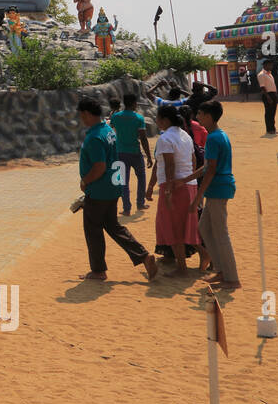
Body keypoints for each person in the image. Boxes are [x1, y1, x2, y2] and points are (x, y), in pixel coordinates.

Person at [77, 96, 157, 281]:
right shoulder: (107, 130)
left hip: (98, 190)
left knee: (93, 230)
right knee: (113, 226)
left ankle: (98, 270)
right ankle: (144, 256)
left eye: (82, 115)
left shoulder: (95, 137)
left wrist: (84, 182)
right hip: (113, 186)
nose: (81, 119)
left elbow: (99, 167)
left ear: (87, 114)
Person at [187, 100, 240, 290]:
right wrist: (188, 178)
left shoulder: (214, 138)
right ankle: (220, 270)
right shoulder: (217, 135)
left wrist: (197, 198)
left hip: (218, 189)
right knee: (205, 228)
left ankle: (232, 278)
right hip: (217, 188)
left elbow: (211, 170)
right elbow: (207, 167)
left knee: (220, 233)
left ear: (209, 116)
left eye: (200, 113)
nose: (198, 117)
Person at [145, 106, 201, 275]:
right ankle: (205, 255)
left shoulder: (165, 138)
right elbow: (193, 162)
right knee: (186, 225)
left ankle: (182, 267)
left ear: (165, 120)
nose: (156, 121)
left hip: (174, 186)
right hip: (188, 184)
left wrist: (168, 190)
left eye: (158, 118)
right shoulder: (185, 135)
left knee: (172, 226)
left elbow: (169, 165)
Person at [108, 92, 152, 215]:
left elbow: (111, 132)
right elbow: (143, 138)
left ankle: (126, 208)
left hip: (120, 152)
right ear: (134, 103)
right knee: (141, 177)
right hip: (135, 152)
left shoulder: (115, 117)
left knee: (123, 181)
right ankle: (140, 203)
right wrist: (148, 156)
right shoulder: (139, 118)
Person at [259, 59, 278, 134]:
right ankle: (269, 129)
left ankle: (273, 128)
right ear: (265, 65)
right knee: (268, 112)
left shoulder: (270, 74)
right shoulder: (261, 74)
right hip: (267, 95)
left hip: (273, 94)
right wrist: (268, 97)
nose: (271, 66)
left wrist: (275, 95)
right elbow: (262, 87)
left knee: (273, 112)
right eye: (270, 65)